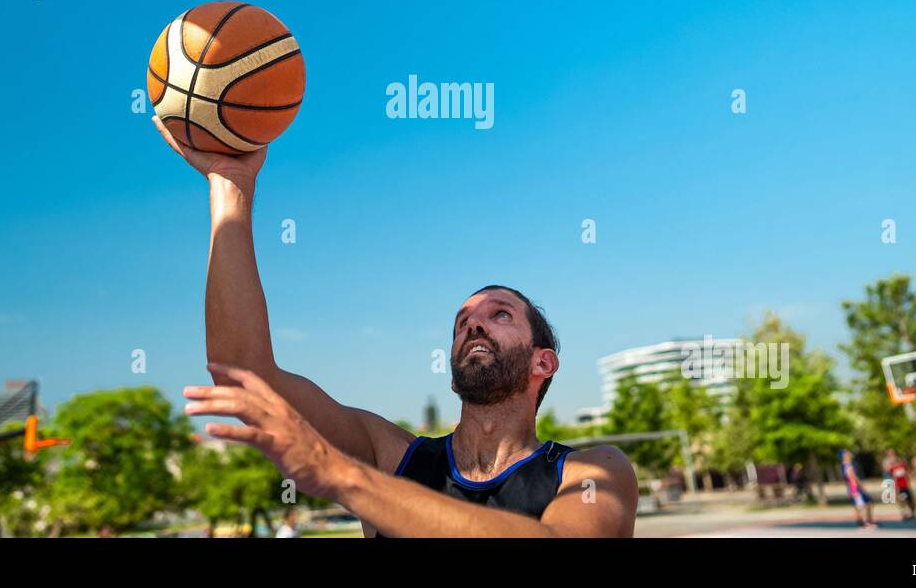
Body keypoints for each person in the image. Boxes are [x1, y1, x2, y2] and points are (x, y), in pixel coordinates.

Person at [155, 119, 639, 537]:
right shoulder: (392, 455)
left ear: (543, 361)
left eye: (500, 314)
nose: (474, 325)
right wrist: (231, 183)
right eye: (462, 322)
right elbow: (242, 369)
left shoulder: (592, 470)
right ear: (452, 378)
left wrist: (339, 474)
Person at [840, 449, 877, 529]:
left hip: (852, 488)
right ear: (845, 456)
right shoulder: (848, 465)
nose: (850, 456)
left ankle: (861, 522)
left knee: (861, 505)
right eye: (849, 454)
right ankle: (866, 522)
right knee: (865, 504)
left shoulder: (844, 466)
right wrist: (861, 486)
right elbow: (852, 477)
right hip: (855, 488)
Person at [882, 448, 916, 521]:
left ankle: (913, 513)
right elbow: (889, 474)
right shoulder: (889, 465)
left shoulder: (901, 464)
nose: (892, 455)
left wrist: (911, 481)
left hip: (905, 485)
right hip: (899, 487)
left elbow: (907, 474)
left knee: (910, 499)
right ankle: (905, 513)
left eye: (893, 453)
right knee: (902, 499)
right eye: (890, 453)